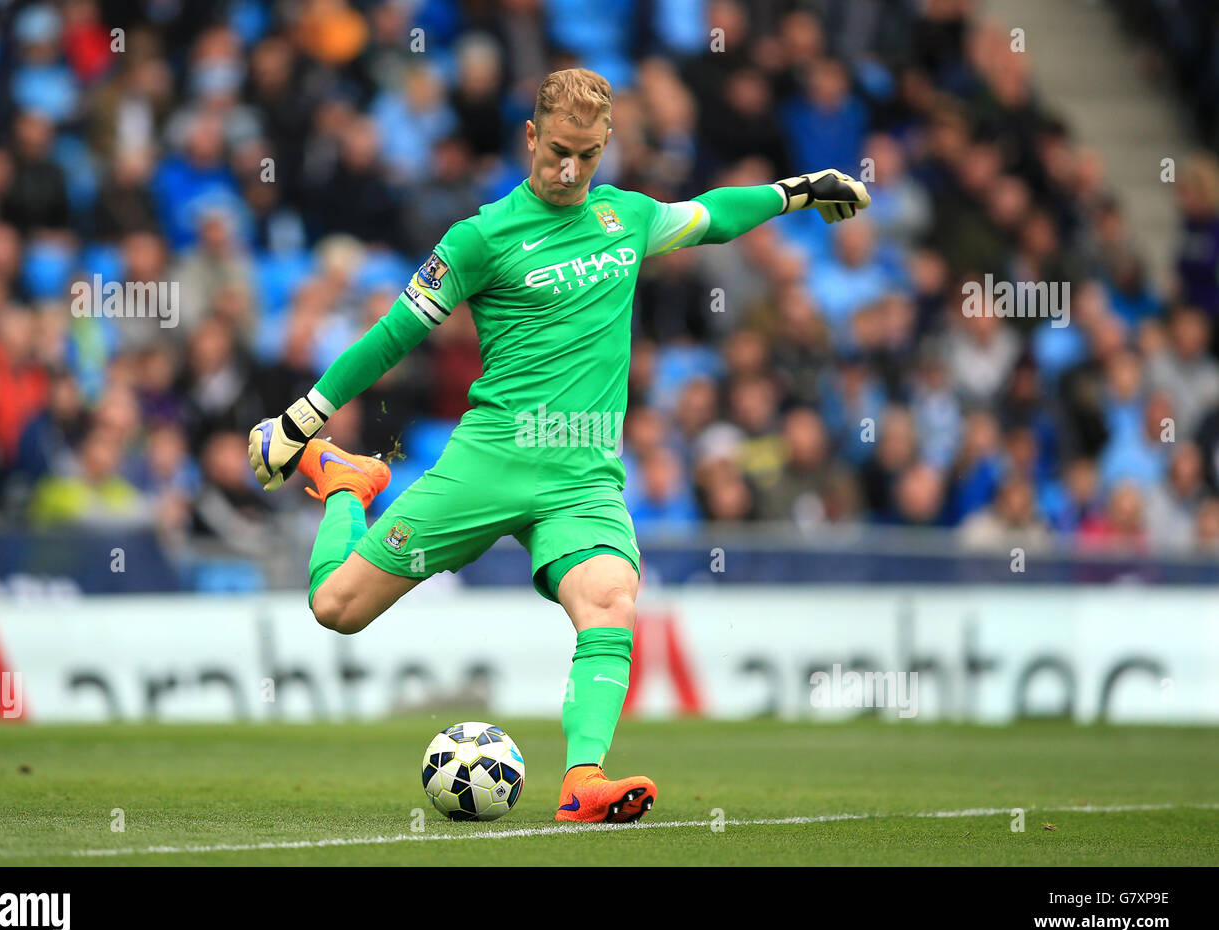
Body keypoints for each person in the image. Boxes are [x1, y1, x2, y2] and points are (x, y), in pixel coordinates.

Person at [247, 69, 870, 823]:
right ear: (531, 138)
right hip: (491, 461)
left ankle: (583, 781)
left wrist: (798, 190)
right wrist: (302, 418)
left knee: (611, 602)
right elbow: (392, 337)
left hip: (585, 476)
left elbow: (713, 215)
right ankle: (345, 486)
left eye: (588, 155)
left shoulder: (627, 217)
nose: (571, 171)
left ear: (607, 146)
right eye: (558, 153)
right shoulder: (477, 239)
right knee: (335, 608)